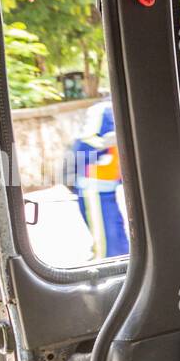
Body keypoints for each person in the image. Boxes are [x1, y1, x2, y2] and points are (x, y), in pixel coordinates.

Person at [65, 100, 128, 258]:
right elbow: (84, 143)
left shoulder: (123, 107)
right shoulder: (103, 110)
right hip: (94, 190)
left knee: (120, 247)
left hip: (107, 189)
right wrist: (120, 136)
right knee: (106, 250)